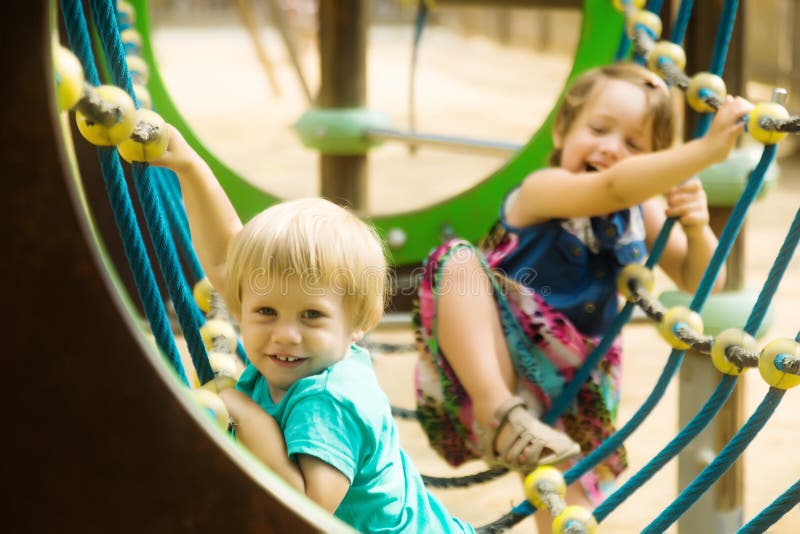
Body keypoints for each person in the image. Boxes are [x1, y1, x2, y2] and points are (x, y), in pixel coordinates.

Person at [413, 62, 752, 528]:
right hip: (495, 359)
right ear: (562, 131)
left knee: (564, 506)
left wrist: (695, 227)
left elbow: (703, 280)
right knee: (457, 260)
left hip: (571, 387)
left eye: (634, 146)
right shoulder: (543, 189)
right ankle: (499, 412)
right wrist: (705, 152)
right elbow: (608, 187)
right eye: (598, 129)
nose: (611, 149)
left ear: (651, 164)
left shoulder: (642, 208)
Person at [153, 127, 474, 534]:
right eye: (267, 311)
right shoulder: (303, 363)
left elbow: (305, 510)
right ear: (242, 307)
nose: (286, 333)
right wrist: (190, 168)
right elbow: (223, 264)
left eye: (311, 316)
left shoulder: (330, 400)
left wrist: (246, 412)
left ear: (358, 324)